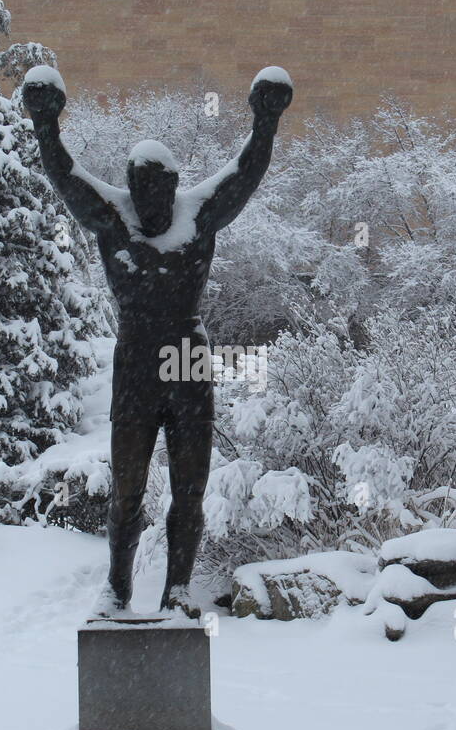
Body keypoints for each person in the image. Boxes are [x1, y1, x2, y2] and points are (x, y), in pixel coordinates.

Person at [23, 64, 293, 615]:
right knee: (127, 488)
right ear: (129, 187)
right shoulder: (111, 220)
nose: (151, 201)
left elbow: (243, 173)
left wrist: (265, 121)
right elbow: (65, 176)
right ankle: (117, 585)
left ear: (173, 185)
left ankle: (177, 588)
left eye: (160, 189)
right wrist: (46, 125)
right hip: (138, 361)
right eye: (141, 189)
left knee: (189, 486)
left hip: (188, 357)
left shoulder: (197, 219)